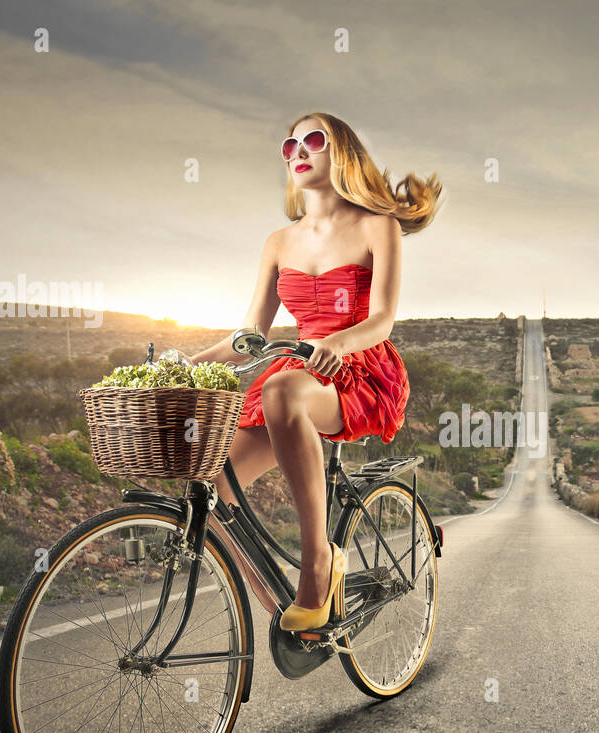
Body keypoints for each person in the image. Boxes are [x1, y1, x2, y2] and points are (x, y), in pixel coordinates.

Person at [190, 111, 443, 635]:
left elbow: (382, 320)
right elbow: (250, 336)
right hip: (298, 373)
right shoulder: (278, 242)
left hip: (356, 367)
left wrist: (335, 343)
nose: (296, 151)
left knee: (282, 388)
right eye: (289, 145)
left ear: (341, 151)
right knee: (214, 481)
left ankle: (318, 563)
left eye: (312, 139)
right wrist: (182, 365)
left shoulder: (379, 227)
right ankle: (279, 608)